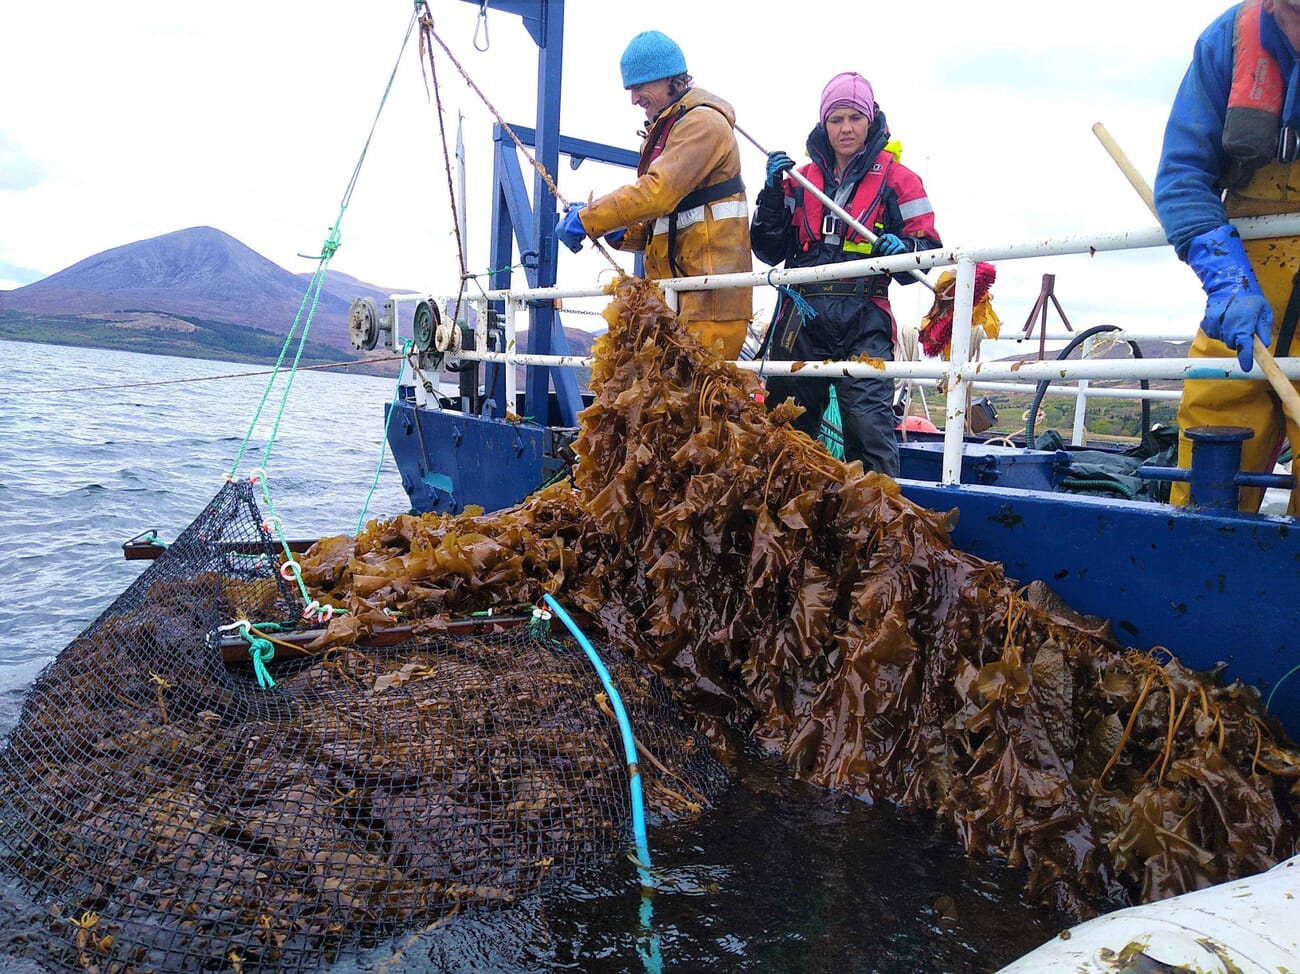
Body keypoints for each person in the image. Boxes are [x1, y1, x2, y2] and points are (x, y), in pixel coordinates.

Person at [751, 71, 941, 477]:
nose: (846, 129)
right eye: (836, 120)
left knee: (869, 428)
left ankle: (877, 526)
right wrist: (770, 193)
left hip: (864, 317)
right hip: (801, 319)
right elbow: (768, 250)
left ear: (870, 120)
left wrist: (904, 251)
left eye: (855, 118)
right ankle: (785, 516)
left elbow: (926, 256)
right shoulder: (798, 182)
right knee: (786, 428)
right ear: (824, 125)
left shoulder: (900, 180)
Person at [1154, 0, 1300, 514]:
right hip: (1246, 282)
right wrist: (1225, 279)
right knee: (1211, 434)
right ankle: (1192, 581)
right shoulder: (1227, 40)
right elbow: (1182, 176)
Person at [553, 30, 753, 360]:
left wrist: (590, 218)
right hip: (677, 299)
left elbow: (656, 193)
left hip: (711, 305)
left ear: (670, 80)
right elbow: (669, 219)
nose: (634, 99)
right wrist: (622, 232)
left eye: (639, 87)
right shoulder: (671, 126)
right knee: (666, 405)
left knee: (695, 403)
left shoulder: (702, 123)